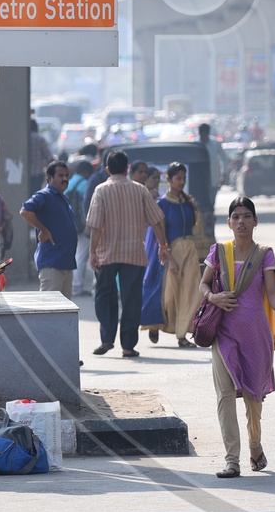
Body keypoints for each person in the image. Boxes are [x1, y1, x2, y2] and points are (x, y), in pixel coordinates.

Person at [198, 197, 275, 478]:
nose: (241, 221)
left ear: (255, 221)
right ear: (228, 222)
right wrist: (213, 296)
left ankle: (255, 445)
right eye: (236, 216)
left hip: (255, 334)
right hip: (223, 332)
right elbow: (203, 284)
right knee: (225, 395)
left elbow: (272, 292)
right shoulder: (218, 252)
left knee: (254, 397)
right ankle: (231, 460)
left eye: (246, 216)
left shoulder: (265, 254)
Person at [86, 149, 168, 357]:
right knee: (132, 299)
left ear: (107, 169)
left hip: (107, 253)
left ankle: (107, 338)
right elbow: (157, 219)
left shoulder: (101, 190)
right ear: (127, 168)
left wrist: (92, 252)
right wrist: (163, 246)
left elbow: (95, 225)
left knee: (105, 295)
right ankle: (128, 346)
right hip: (134, 253)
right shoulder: (139, 190)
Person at [144, 162, 204, 347]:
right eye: (178, 178)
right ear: (168, 180)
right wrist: (168, 255)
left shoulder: (188, 203)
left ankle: (182, 335)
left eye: (184, 178)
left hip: (190, 251)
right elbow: (157, 234)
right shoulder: (161, 204)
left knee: (191, 292)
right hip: (171, 253)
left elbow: (197, 229)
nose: (182, 182)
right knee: (169, 295)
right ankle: (156, 324)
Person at [22, 160, 77, 297]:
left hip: (66, 263)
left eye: (66, 175)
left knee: (65, 312)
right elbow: (25, 211)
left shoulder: (63, 198)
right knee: (50, 310)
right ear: (50, 178)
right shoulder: (44, 196)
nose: (65, 179)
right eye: (60, 175)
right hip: (52, 264)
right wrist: (44, 230)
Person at [66, 158, 95, 294]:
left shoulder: (70, 182)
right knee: (82, 255)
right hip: (82, 224)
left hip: (70, 223)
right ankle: (77, 286)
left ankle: (74, 285)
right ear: (86, 172)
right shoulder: (84, 184)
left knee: (76, 253)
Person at [198, 122, 227, 237]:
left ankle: (209, 230)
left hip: (213, 180)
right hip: (198, 182)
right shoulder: (195, 145)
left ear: (208, 133)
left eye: (205, 133)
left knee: (210, 205)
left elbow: (224, 159)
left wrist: (224, 174)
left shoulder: (215, 144)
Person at [28, 118, 54, 192]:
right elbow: (49, 156)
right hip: (38, 173)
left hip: (25, 174)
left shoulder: (23, 138)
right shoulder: (40, 139)